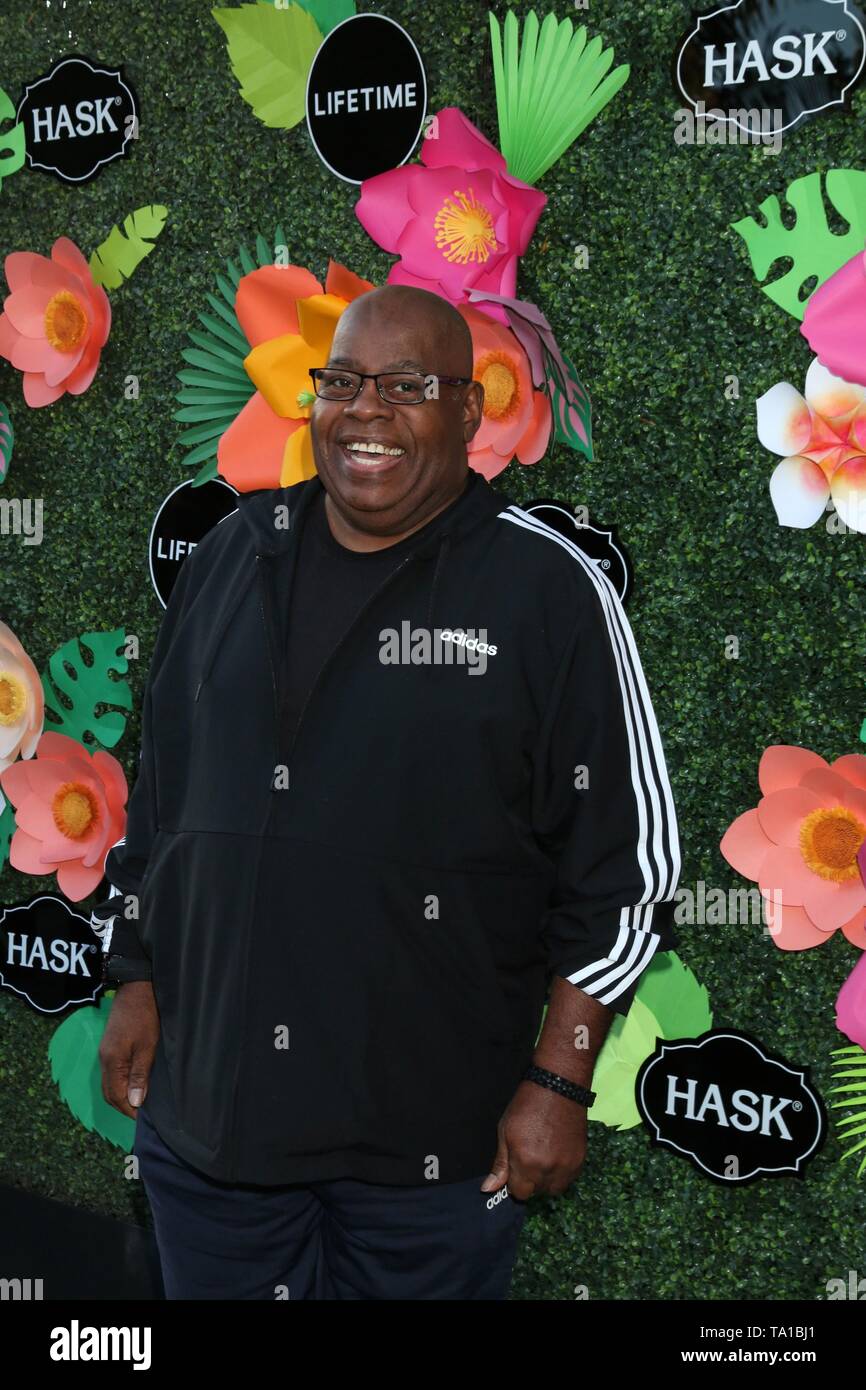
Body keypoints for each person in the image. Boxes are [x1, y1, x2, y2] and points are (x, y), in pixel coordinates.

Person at [93, 284, 681, 1300]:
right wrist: (135, 973)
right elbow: (163, 793)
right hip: (215, 1141)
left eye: (407, 385)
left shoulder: (546, 591)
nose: (367, 411)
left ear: (469, 410)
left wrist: (557, 1080)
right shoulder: (233, 552)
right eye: (346, 381)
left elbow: (627, 874)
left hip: (425, 1164)